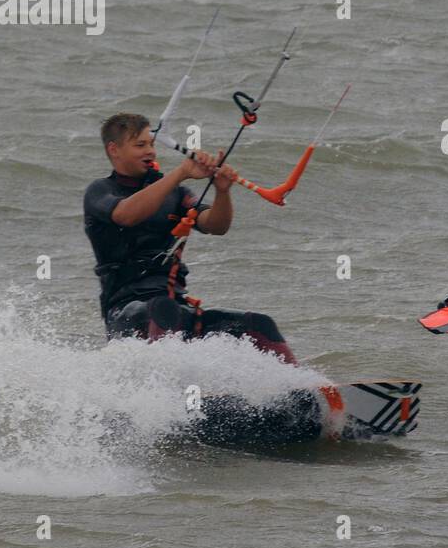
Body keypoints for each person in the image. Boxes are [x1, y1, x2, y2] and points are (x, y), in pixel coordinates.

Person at [82, 112, 297, 364]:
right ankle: (162, 390)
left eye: (151, 144)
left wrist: (222, 192)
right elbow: (126, 215)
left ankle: (303, 390)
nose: (150, 151)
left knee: (259, 325)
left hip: (176, 309)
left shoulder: (176, 195)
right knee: (163, 308)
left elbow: (215, 225)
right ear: (114, 149)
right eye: (140, 145)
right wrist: (181, 172)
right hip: (126, 313)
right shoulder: (100, 191)